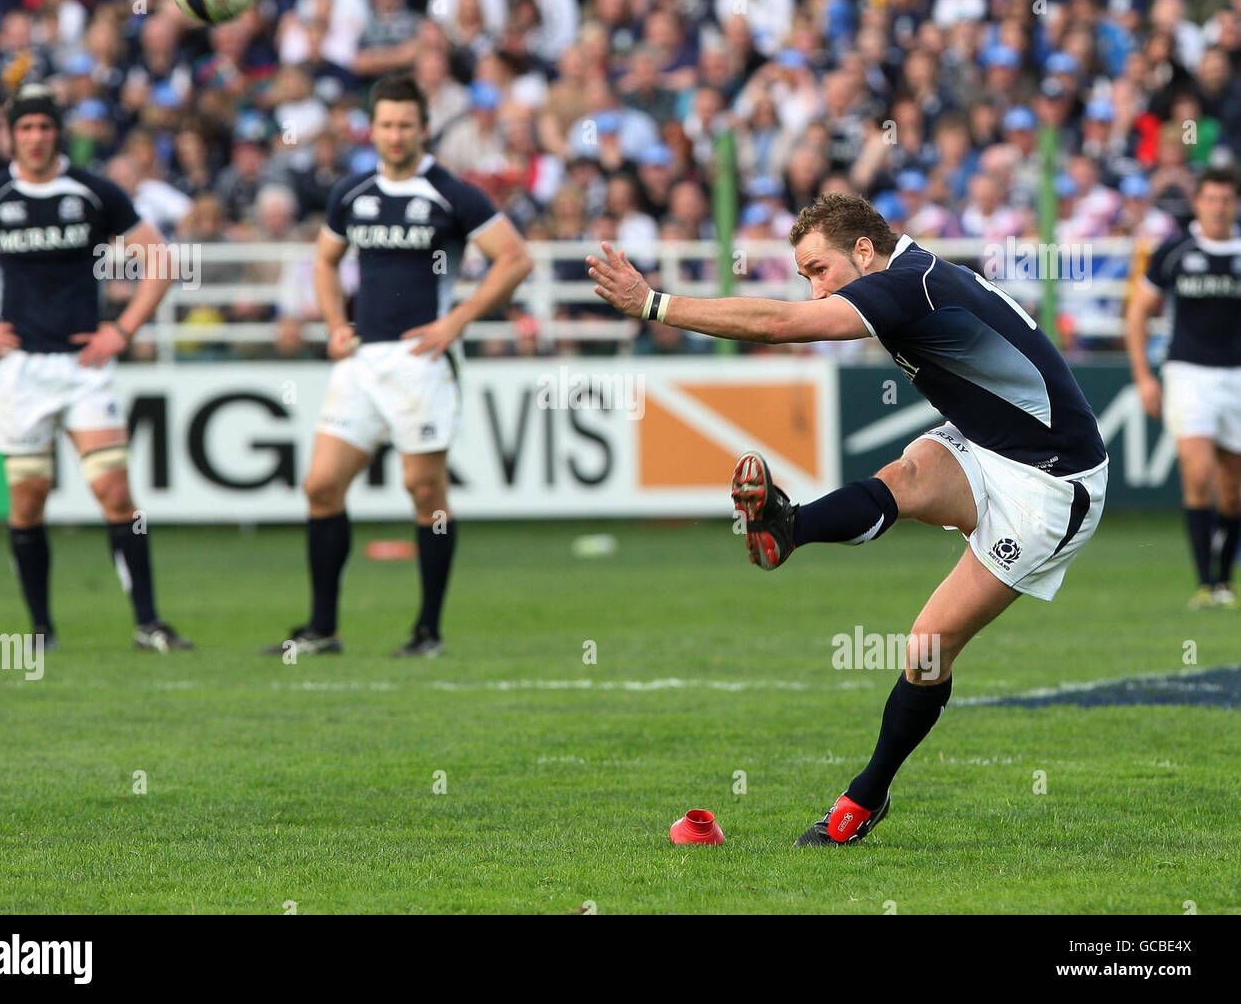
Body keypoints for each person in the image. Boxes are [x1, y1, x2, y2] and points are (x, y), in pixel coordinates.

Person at [587, 193, 1109, 845]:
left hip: (1051, 483)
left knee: (927, 648)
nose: (813, 289)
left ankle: (866, 796)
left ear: (864, 250)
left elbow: (779, 326)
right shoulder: (914, 273)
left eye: (818, 270)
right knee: (906, 478)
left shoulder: (904, 287)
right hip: (987, 441)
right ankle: (789, 526)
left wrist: (654, 305)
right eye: (806, 275)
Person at [264, 74, 531, 658]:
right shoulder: (352, 191)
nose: (395, 134)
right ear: (373, 127)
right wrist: (336, 322)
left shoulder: (452, 192)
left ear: (423, 127)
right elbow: (325, 260)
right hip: (362, 360)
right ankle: (322, 628)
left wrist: (455, 322)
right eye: (385, 123)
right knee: (321, 485)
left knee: (423, 490)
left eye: (405, 124)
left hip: (421, 361)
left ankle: (428, 632)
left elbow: (514, 260)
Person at [0, 84, 190, 653]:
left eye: (45, 128)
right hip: (21, 370)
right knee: (29, 500)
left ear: (59, 133)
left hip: (83, 368)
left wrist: (121, 329)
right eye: (25, 128)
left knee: (115, 493)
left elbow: (159, 260)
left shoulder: (95, 192)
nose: (35, 138)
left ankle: (148, 623)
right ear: (11, 135)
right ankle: (41, 629)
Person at [1125, 167, 1241, 609]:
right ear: (1198, 203)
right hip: (1188, 373)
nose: (1217, 207)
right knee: (1198, 474)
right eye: (1210, 198)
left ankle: (1225, 580)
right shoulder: (1174, 251)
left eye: (1225, 199)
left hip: (1236, 375)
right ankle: (1206, 581)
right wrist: (1143, 375)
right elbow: (1138, 312)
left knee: (1232, 490)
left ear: (1234, 204)